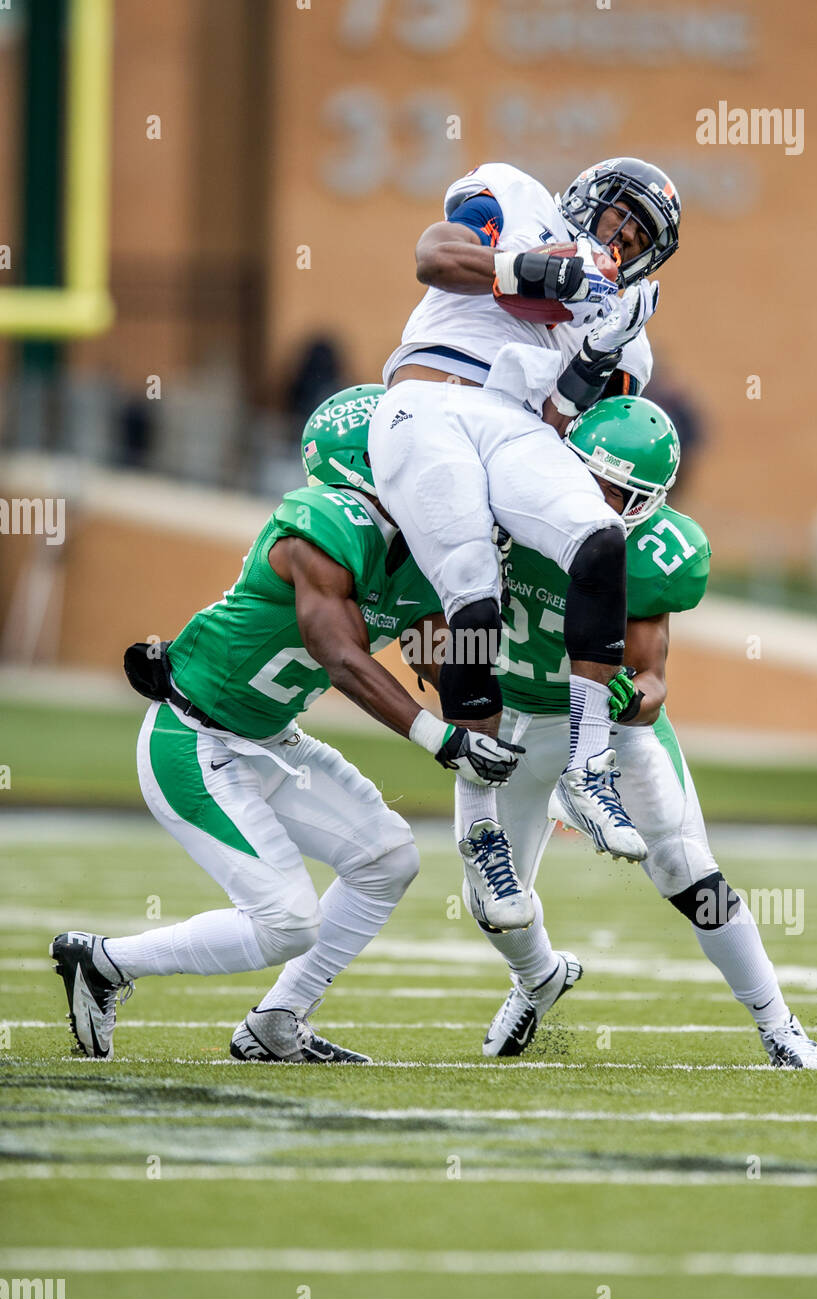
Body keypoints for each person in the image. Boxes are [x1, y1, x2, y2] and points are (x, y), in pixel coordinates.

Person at [48, 385, 492, 1067]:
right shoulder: (322, 522)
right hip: (194, 740)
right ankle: (103, 962)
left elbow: (441, 657)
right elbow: (337, 653)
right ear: (366, 462)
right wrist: (441, 739)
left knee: (385, 858)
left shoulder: (415, 547)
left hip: (266, 740)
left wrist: (498, 668)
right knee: (286, 921)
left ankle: (276, 1021)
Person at [460, 395, 817, 1070]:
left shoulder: (656, 552)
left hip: (598, 722)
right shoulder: (508, 506)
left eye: (620, 491)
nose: (601, 498)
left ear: (650, 499)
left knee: (687, 868)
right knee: (490, 905)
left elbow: (653, 680)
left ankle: (777, 1025)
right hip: (507, 720)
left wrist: (631, 704)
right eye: (595, 478)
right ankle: (538, 977)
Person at [368, 157, 681, 932]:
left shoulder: (628, 322)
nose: (622, 239)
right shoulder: (519, 201)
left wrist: (599, 350)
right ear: (584, 199)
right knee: (471, 594)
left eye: (638, 237)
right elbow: (434, 256)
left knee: (599, 540)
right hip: (432, 399)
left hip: (515, 426)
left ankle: (587, 761)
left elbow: (558, 416)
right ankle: (480, 823)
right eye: (618, 218)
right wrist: (549, 271)